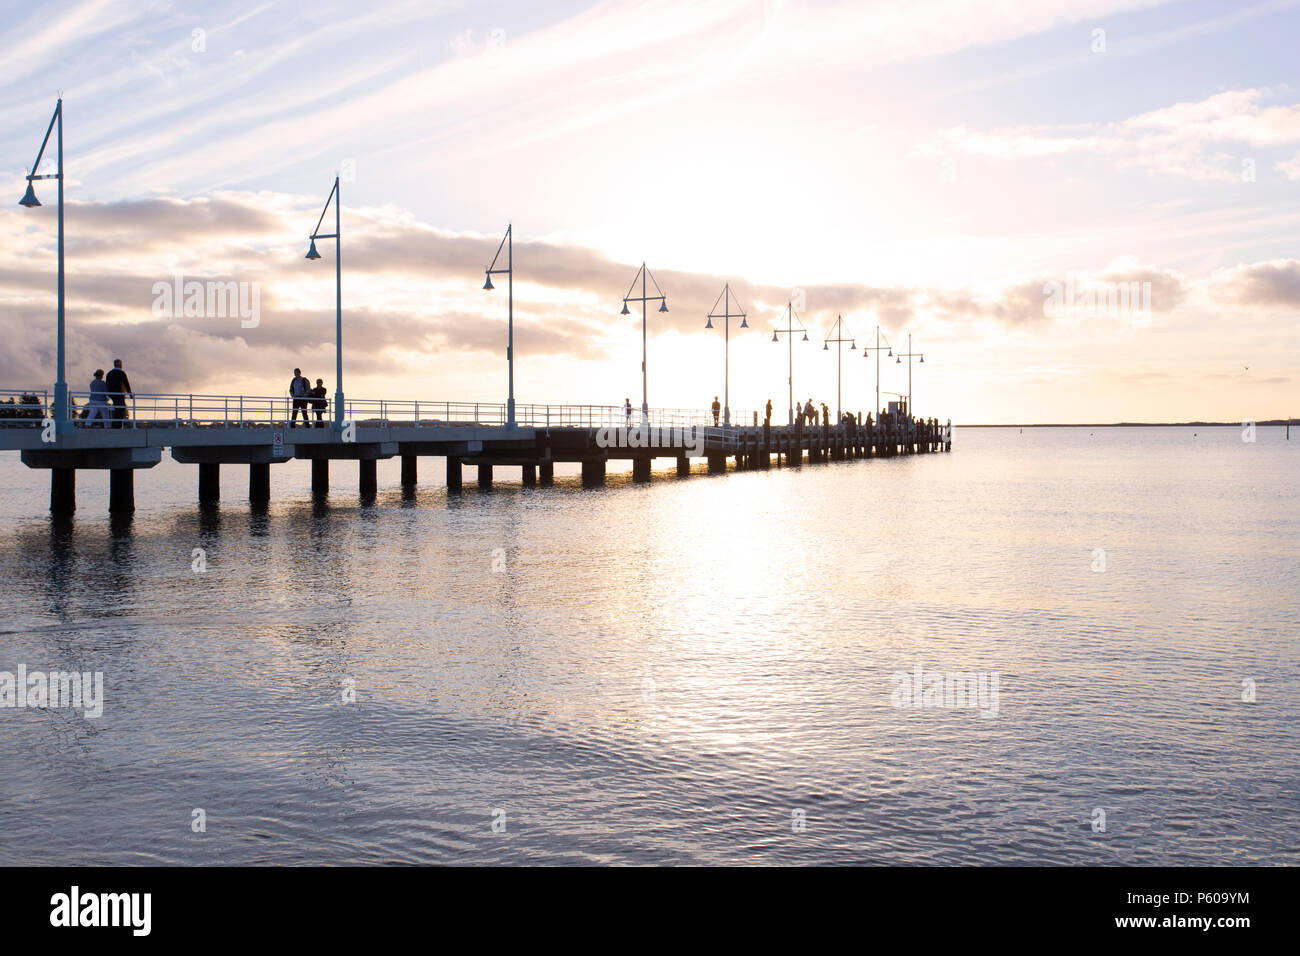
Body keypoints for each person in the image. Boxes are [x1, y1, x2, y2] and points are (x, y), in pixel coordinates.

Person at [104, 358, 132, 428]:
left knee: (117, 408)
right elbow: (126, 383)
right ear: (119, 364)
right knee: (121, 409)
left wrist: (108, 394)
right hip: (120, 394)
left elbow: (107, 384)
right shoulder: (121, 373)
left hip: (112, 394)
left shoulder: (109, 373)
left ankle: (116, 424)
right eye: (121, 363)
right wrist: (130, 394)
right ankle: (117, 425)